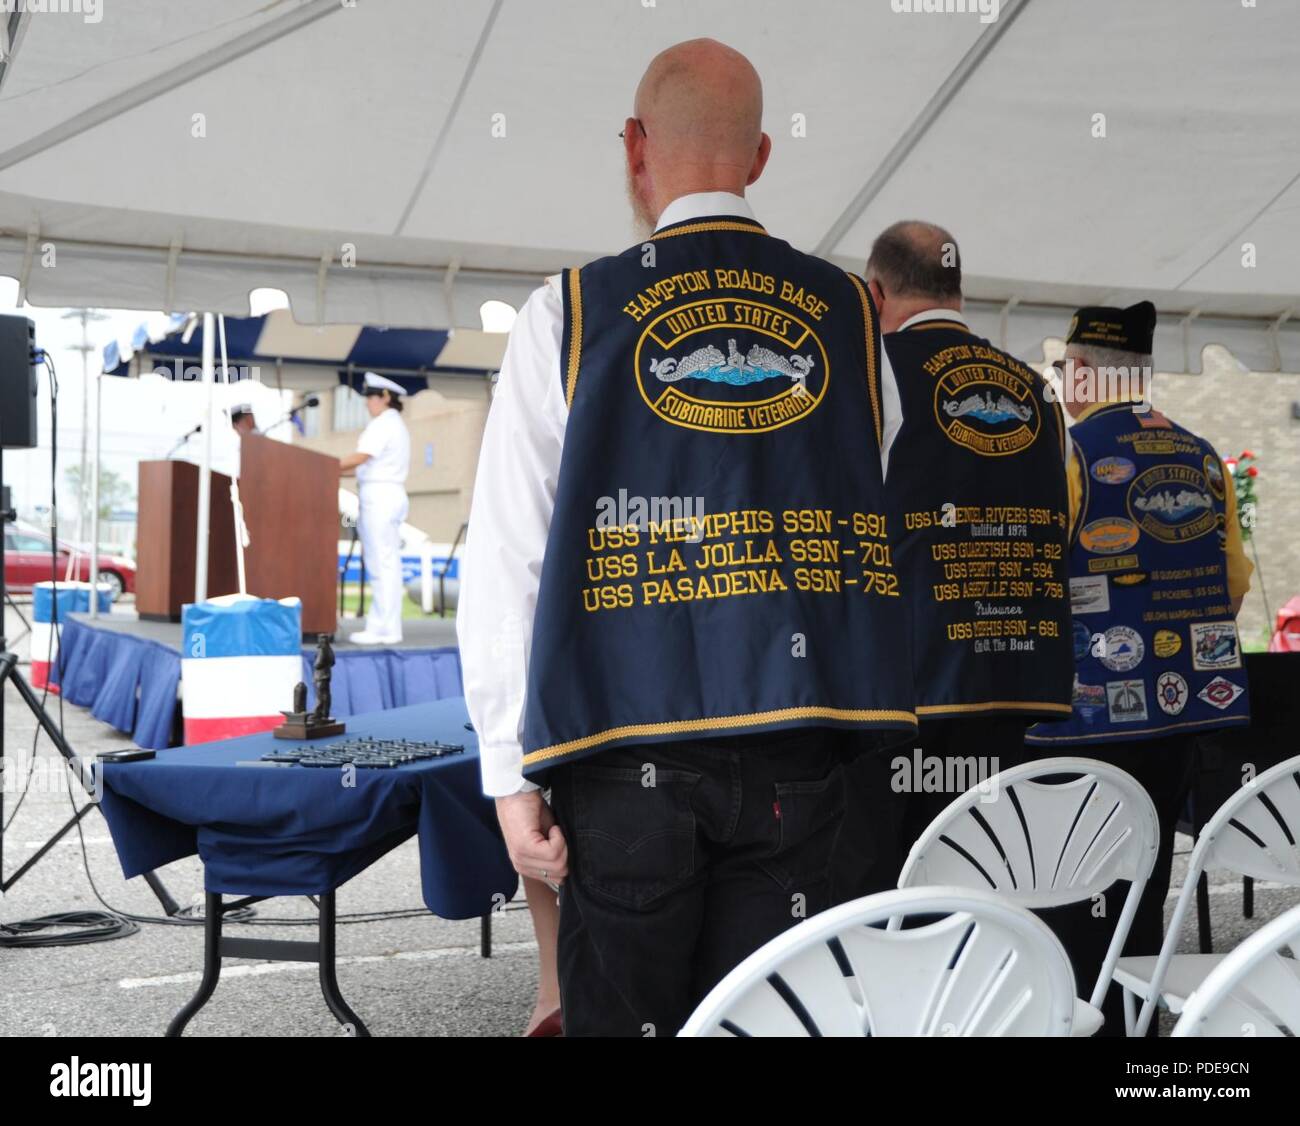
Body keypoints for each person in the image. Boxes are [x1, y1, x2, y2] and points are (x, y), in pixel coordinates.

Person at [457, 38, 917, 1037]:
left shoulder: (569, 313)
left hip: (627, 755)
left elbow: (507, 555)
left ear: (633, 149)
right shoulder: (848, 313)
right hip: (807, 747)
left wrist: (507, 771)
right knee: (775, 1020)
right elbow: (867, 479)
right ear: (758, 157)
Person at [1022, 301, 1253, 1032]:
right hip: (1184, 712)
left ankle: (1075, 1019)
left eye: (1063, 370)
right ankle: (1137, 1033)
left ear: (1085, 372)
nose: (1062, 383)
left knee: (1070, 892)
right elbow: (1236, 581)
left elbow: (1036, 575)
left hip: (1083, 718)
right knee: (1145, 887)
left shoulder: (1063, 452)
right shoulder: (1204, 455)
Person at [832, 221, 1074, 902]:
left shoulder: (870, 376)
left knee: (879, 893)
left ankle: (893, 1004)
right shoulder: (1038, 392)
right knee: (984, 879)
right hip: (1013, 686)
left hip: (900, 690)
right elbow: (1065, 524)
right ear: (956, 289)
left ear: (875, 292)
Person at [339, 372, 411, 645]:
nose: (368, 401)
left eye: (372, 396)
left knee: (382, 563)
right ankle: (384, 625)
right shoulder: (394, 425)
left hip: (380, 496)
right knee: (384, 562)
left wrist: (327, 467)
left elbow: (360, 458)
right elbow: (364, 467)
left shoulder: (384, 424)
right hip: (383, 492)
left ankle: (384, 628)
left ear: (386, 397)